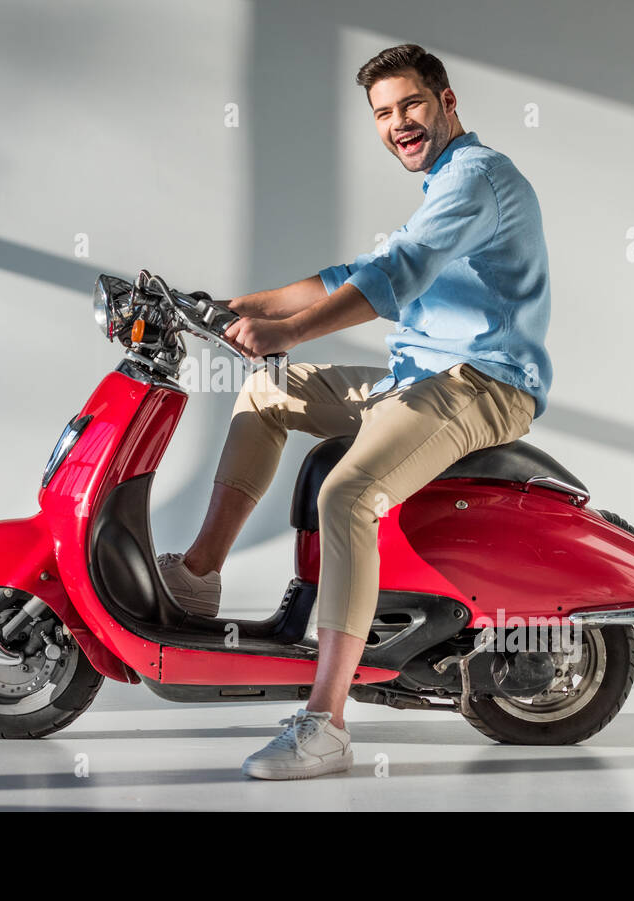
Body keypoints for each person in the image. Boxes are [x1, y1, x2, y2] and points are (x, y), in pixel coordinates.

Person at [156, 43, 554, 780]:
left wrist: (285, 331)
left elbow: (396, 277)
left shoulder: (476, 177)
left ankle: (326, 723)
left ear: (447, 101)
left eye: (410, 104)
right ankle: (200, 574)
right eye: (383, 113)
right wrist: (234, 306)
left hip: (485, 381)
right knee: (267, 390)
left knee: (347, 495)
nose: (399, 122)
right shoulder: (444, 185)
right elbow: (353, 275)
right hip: (420, 373)